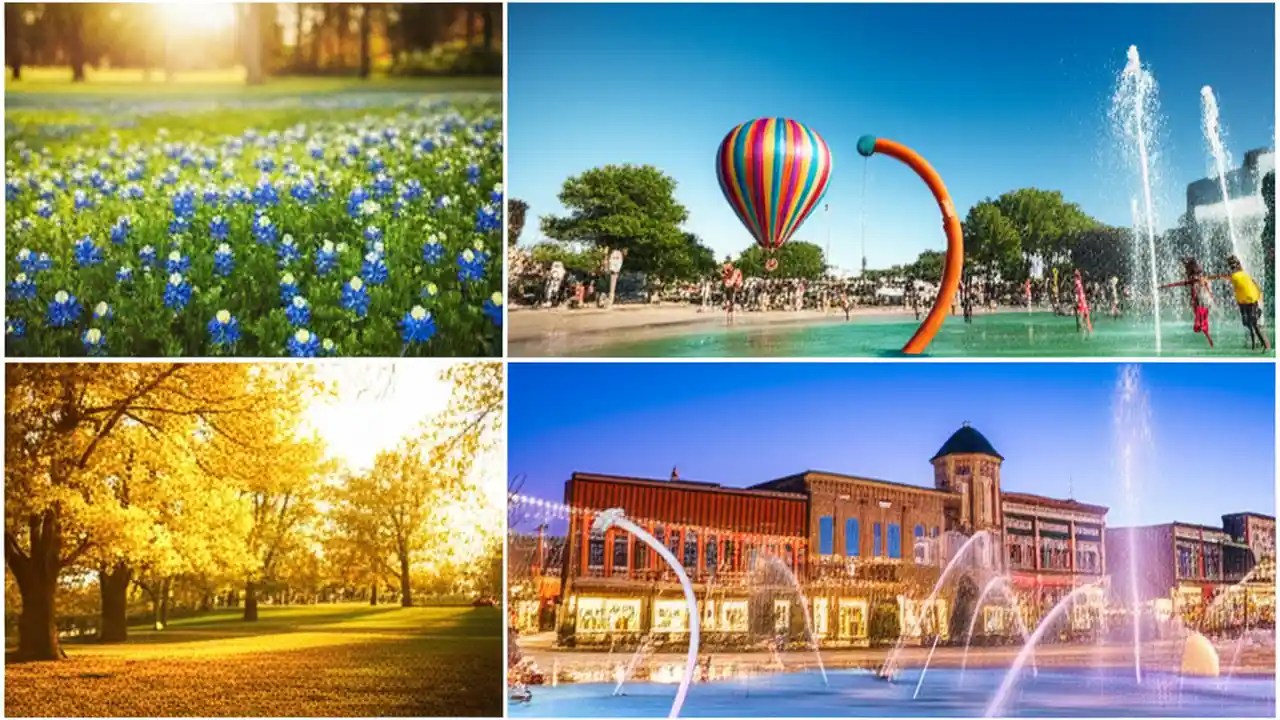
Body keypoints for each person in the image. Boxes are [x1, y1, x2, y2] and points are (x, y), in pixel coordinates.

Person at [1216, 255, 1270, 351]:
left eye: (1232, 265)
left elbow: (1222, 277)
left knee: (1253, 324)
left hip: (1250, 301)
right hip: (1245, 302)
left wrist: (1259, 295)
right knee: (1248, 323)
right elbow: (1222, 277)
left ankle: (1266, 345)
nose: (1231, 267)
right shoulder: (1241, 274)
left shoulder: (1237, 275)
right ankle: (1256, 343)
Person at [1160, 257, 1214, 348]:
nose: (1184, 268)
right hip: (1200, 299)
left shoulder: (1198, 276)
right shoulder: (1194, 276)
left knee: (1201, 319)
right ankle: (1206, 334)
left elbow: (1202, 285)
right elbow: (1185, 284)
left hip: (1203, 299)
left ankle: (1208, 337)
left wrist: (1200, 284)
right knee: (1200, 319)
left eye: (1185, 266)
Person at [1073, 269, 1093, 336]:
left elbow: (1077, 295)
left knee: (1081, 320)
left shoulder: (1077, 284)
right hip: (1084, 303)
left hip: (1081, 303)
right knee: (1087, 319)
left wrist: (1076, 303)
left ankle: (1084, 332)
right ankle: (1090, 332)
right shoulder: (1080, 284)